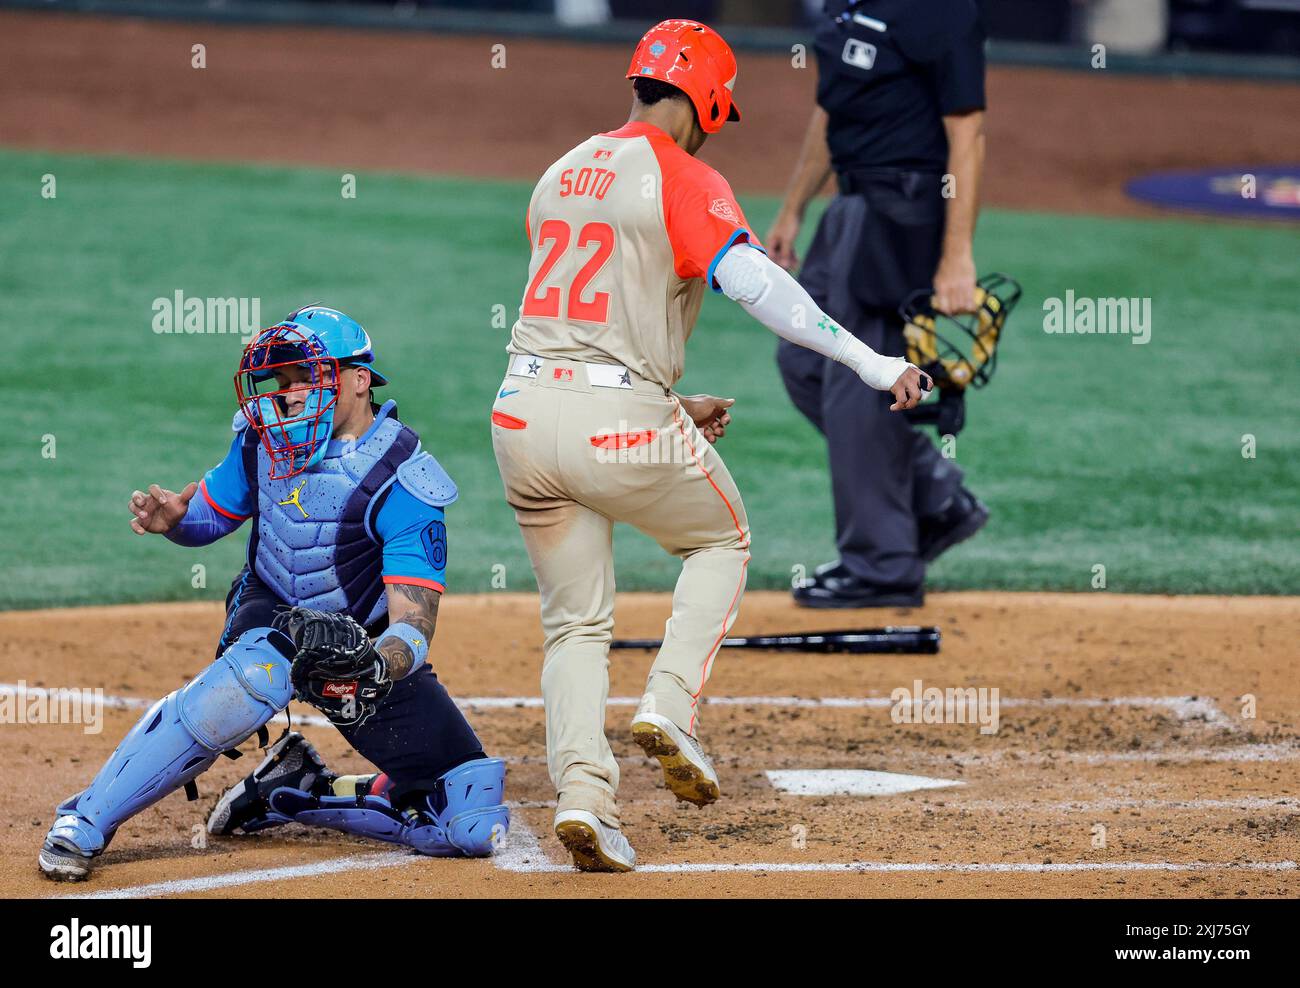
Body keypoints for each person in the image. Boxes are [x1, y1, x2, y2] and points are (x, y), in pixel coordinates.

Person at [491, 19, 931, 872]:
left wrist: (666, 398)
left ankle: (584, 798)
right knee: (719, 540)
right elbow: (754, 282)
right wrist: (869, 361)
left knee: (575, 627)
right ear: (703, 100)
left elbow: (583, 321)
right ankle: (671, 707)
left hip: (519, 414)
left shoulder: (559, 171)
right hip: (609, 423)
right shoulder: (682, 173)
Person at [39, 305, 508, 881]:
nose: (286, 395)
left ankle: (297, 791)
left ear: (357, 380)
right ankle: (83, 821)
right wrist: (178, 521)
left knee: (470, 818)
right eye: (280, 382)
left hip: (362, 648)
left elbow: (414, 625)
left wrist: (369, 664)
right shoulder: (263, 440)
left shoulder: (404, 478)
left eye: (304, 379)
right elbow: (213, 515)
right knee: (256, 671)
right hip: (268, 611)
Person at [767, 0, 991, 608]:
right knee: (804, 360)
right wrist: (795, 204)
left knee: (857, 385)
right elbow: (831, 109)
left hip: (901, 211)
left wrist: (957, 256)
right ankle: (935, 496)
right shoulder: (848, 9)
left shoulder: (943, 13)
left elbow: (966, 133)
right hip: (849, 205)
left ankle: (882, 563)